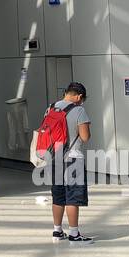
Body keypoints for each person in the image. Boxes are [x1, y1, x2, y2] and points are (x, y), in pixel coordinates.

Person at [33, 82, 92, 244]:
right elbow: (85, 137)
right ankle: (74, 234)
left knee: (58, 195)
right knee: (73, 197)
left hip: (53, 157)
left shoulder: (51, 108)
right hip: (73, 158)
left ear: (66, 93)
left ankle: (57, 231)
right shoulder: (79, 110)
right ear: (79, 97)